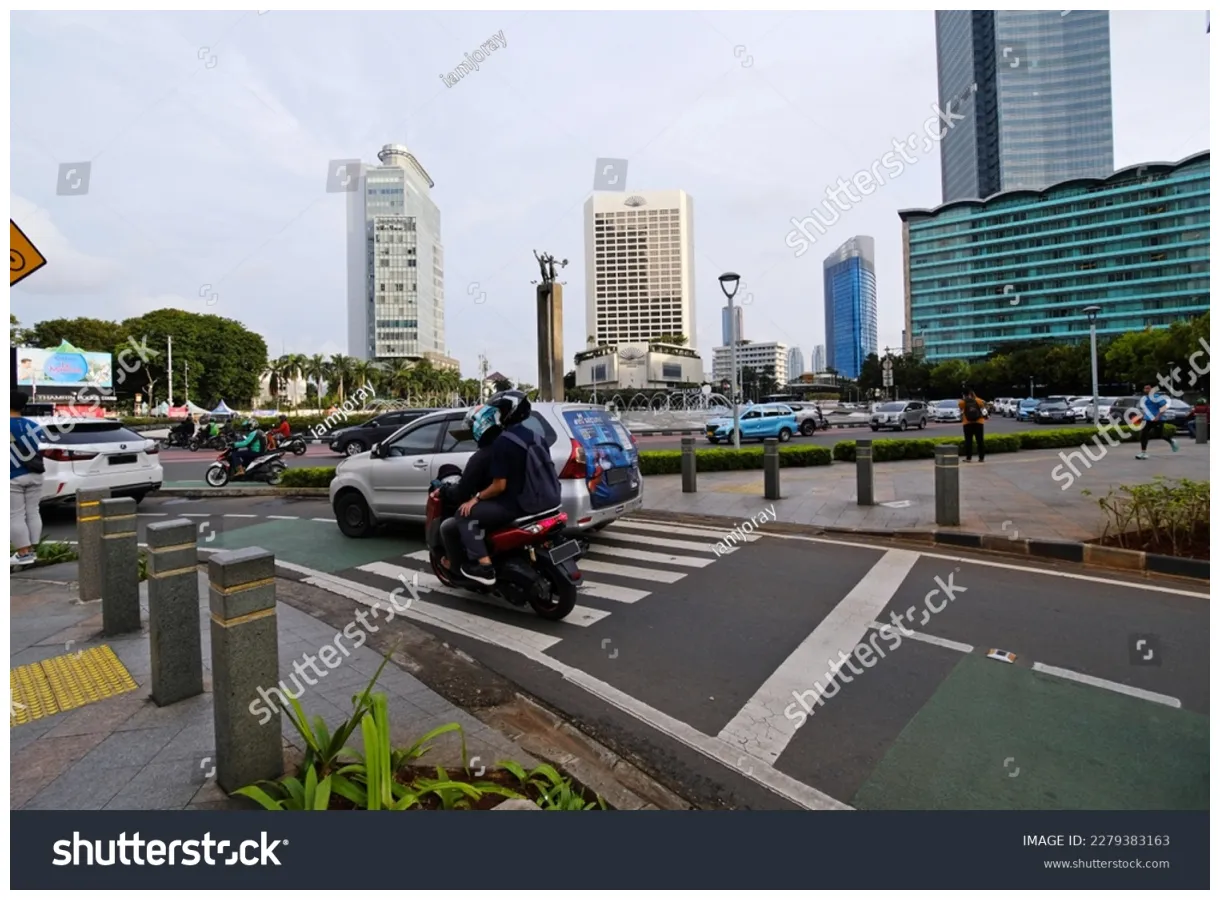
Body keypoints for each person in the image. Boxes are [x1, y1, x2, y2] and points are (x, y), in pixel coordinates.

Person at [455, 391, 534, 585]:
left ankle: (485, 568)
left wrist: (477, 498)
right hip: (542, 500)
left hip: (513, 505)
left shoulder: (503, 443)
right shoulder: (535, 437)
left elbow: (499, 486)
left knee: (463, 514)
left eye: (500, 411)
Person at [437, 405, 503, 574]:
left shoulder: (481, 457)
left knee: (453, 522)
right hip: (532, 501)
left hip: (502, 505)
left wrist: (444, 491)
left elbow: (462, 493)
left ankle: (480, 566)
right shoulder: (514, 445)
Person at [10, 391, 47, 566]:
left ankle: (23, 554)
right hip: (35, 473)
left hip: (12, 475)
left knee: (15, 515)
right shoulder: (34, 425)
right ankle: (32, 551)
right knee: (33, 511)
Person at [1136, 384, 1179, 459]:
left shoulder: (1156, 397)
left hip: (1158, 419)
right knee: (1143, 435)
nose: (1146, 390)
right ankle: (1143, 453)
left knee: (1159, 435)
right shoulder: (1144, 398)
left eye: (1148, 388)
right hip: (1147, 419)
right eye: (1145, 388)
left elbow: (1164, 407)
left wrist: (1158, 416)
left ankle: (1171, 441)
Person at [958, 388, 986, 462]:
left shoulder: (962, 402)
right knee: (980, 441)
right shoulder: (979, 400)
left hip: (967, 423)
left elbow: (961, 409)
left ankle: (968, 458)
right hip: (979, 422)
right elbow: (983, 410)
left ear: (964, 395)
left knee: (968, 441)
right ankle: (981, 458)